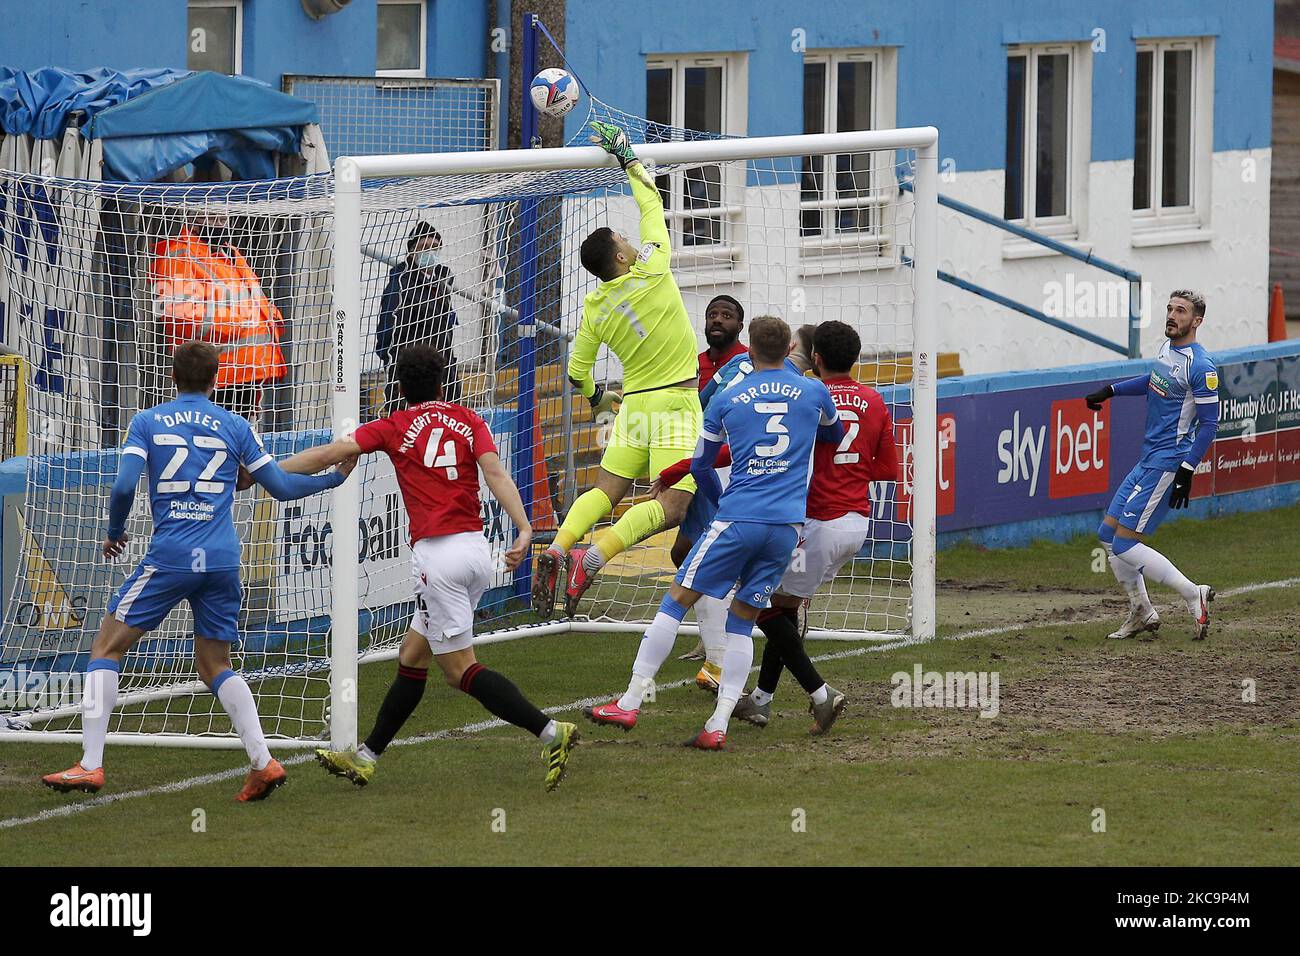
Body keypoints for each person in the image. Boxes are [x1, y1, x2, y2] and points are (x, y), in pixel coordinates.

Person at [41, 342, 353, 801]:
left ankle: (89, 764)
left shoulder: (147, 421)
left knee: (106, 647)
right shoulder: (236, 425)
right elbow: (282, 488)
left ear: (172, 378)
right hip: (224, 560)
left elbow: (126, 482)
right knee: (215, 664)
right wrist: (334, 478)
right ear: (215, 380)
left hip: (172, 556)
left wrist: (114, 531)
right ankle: (263, 761)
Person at [285, 344, 578, 791]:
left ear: (398, 388)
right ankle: (366, 757)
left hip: (438, 561)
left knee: (460, 671)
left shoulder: (392, 425)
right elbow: (496, 473)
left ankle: (552, 732)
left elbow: (329, 454)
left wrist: (262, 469)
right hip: (476, 551)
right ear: (443, 382)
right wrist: (523, 529)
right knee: (412, 655)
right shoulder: (468, 419)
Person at [583, 316, 842, 750]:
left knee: (676, 599)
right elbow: (832, 434)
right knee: (743, 620)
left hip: (738, 517)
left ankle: (628, 702)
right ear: (789, 351)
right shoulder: (814, 390)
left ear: (751, 351)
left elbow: (701, 462)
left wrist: (722, 502)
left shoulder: (728, 397)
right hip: (786, 527)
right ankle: (717, 725)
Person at [532, 121, 703, 619]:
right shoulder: (654, 269)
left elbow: (576, 369)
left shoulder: (596, 307)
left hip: (633, 407)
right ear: (624, 255)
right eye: (625, 239)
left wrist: (594, 398)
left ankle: (560, 546)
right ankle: (596, 554)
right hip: (674, 403)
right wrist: (628, 157)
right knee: (676, 505)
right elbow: (652, 205)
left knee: (606, 490)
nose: (632, 239)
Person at [732, 320, 899, 730]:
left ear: (816, 359)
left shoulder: (811, 395)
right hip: (856, 523)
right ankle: (761, 700)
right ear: (856, 358)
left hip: (819, 523)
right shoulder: (875, 401)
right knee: (782, 608)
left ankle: (821, 694)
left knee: (761, 604)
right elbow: (888, 468)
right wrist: (851, 472)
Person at [663, 322, 816, 692]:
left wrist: (681, 464)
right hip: (772, 498)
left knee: (694, 568)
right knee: (756, 589)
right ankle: (723, 664)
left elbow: (704, 405)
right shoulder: (809, 391)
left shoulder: (737, 376)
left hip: (731, 479)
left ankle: (715, 660)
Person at [1085, 290, 1219, 641]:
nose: (1173, 315)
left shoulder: (1201, 367)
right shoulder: (1166, 349)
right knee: (1108, 537)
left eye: (1182, 311)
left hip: (1168, 461)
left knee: (1126, 543)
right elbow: (1153, 382)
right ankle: (1142, 610)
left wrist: (1187, 471)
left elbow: (1209, 425)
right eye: (1171, 308)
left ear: (1197, 321)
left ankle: (1194, 594)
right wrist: (1111, 390)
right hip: (1147, 459)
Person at [150, 213, 286, 422]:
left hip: (248, 372)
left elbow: (254, 301)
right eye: (212, 218)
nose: (220, 225)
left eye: (224, 219)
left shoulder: (229, 254)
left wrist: (270, 318)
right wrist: (238, 324)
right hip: (212, 375)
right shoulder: (178, 254)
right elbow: (177, 316)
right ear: (192, 219)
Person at [375, 222, 461, 412]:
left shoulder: (442, 283)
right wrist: (398, 366)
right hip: (412, 376)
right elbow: (386, 332)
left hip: (441, 371)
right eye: (423, 248)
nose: (429, 252)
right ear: (412, 252)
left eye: (434, 247)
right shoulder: (400, 284)